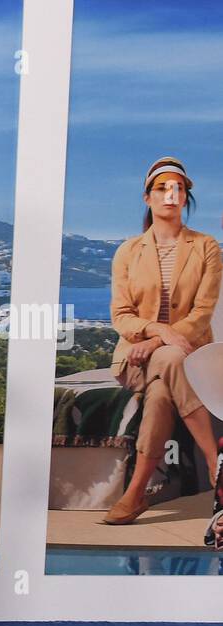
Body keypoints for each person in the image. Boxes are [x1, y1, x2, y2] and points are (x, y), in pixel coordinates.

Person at [102, 156, 221, 525]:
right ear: (147, 197)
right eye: (162, 188)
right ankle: (215, 464)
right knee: (168, 360)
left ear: (185, 197)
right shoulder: (127, 251)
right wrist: (158, 331)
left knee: (162, 386)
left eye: (178, 188)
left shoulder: (207, 248)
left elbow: (202, 313)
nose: (171, 195)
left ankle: (136, 492)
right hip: (134, 360)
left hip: (186, 357)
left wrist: (159, 340)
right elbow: (121, 315)